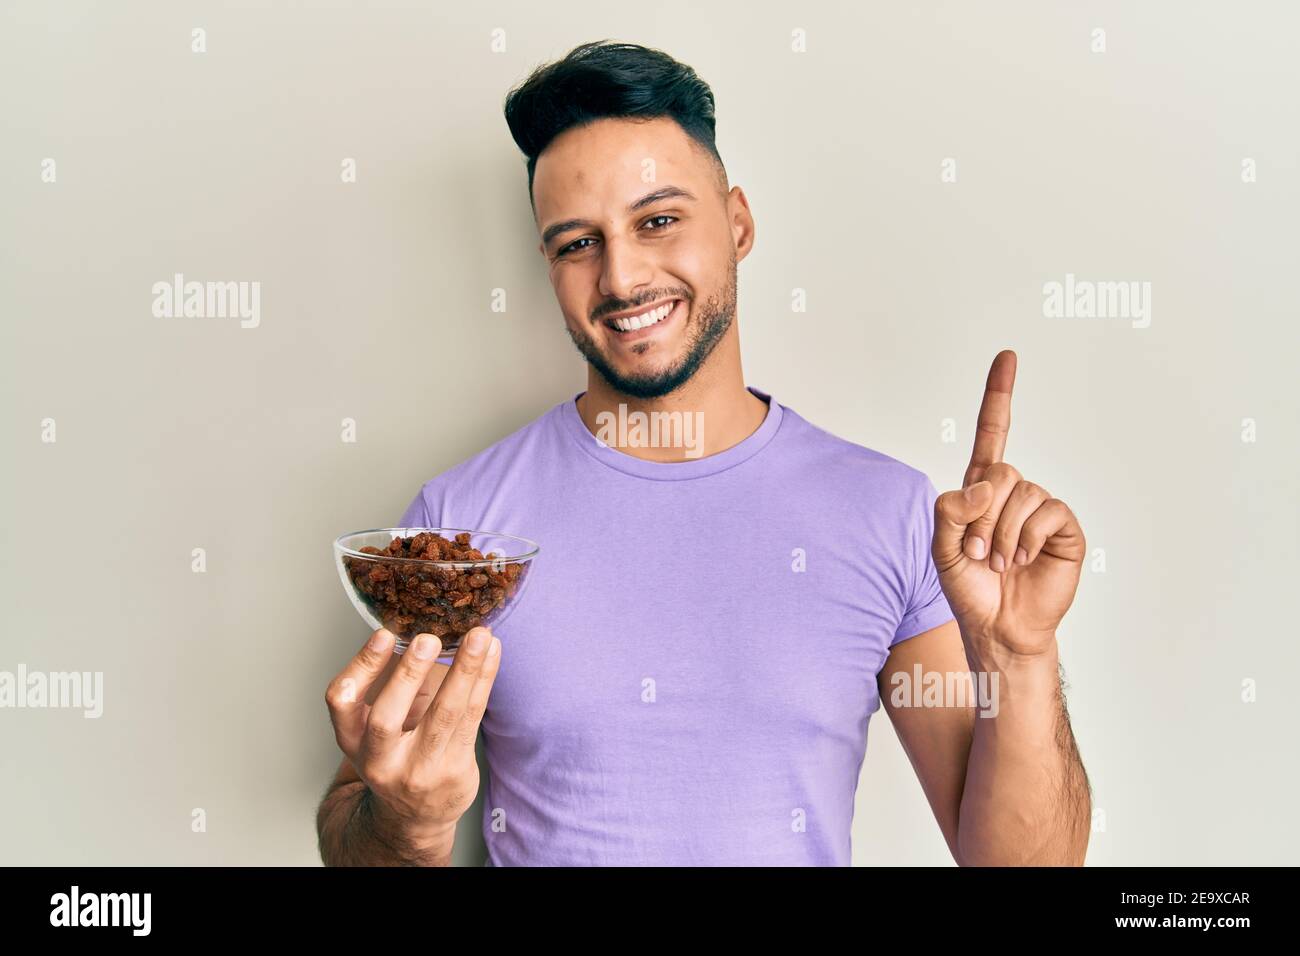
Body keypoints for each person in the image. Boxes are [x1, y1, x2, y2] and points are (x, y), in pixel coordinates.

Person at [317, 40, 1091, 867]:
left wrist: (1020, 655)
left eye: (658, 220)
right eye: (577, 243)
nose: (620, 278)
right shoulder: (464, 532)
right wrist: (412, 823)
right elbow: (353, 825)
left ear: (739, 224)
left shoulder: (890, 513)